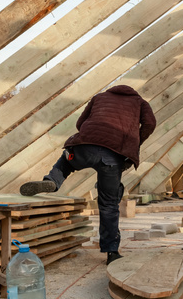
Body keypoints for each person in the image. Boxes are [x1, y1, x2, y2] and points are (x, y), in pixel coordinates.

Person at [20, 85, 156, 264]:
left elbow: (80, 123)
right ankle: (111, 252)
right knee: (109, 204)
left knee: (66, 161)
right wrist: (134, 141)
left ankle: (52, 181)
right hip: (112, 156)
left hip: (84, 148)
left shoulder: (99, 97)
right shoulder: (139, 102)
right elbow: (150, 124)